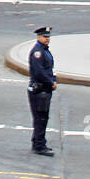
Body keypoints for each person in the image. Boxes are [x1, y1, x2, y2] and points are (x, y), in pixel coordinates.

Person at [27, 25, 56, 156]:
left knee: (42, 117)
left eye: (48, 37)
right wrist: (51, 82)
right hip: (40, 89)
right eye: (44, 37)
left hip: (43, 88)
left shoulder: (44, 50)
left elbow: (48, 69)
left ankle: (38, 141)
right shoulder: (38, 52)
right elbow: (39, 72)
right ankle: (39, 145)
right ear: (38, 37)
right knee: (41, 118)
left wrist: (54, 79)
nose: (47, 39)